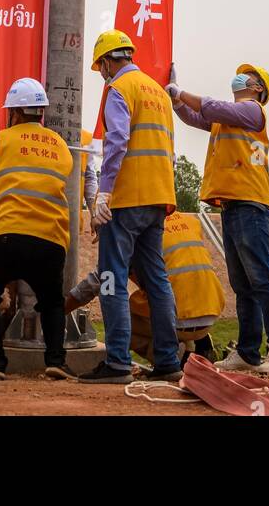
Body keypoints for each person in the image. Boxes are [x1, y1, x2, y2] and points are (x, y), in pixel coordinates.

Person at [169, 62, 269, 374]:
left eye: (248, 77)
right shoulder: (226, 120)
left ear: (258, 89)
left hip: (251, 204)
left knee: (261, 278)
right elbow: (196, 117)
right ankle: (249, 353)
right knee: (243, 284)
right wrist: (176, 101)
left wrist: (182, 92)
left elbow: (210, 106)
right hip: (233, 205)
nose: (240, 78)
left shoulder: (253, 111)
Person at [78, 30, 182, 386]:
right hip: (158, 198)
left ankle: (118, 362)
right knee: (157, 281)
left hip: (126, 200)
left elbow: (118, 141)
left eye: (101, 67)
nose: (102, 74)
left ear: (108, 61)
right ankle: (169, 361)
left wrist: (103, 195)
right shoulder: (156, 92)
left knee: (112, 279)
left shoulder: (119, 89)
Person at [0, 77, 76, 382]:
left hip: (7, 234)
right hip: (50, 238)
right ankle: (56, 361)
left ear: (14, 113)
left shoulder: (2, 139)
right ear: (40, 112)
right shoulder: (60, 145)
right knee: (53, 301)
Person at [67, 208, 224, 366]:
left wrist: (60, 312)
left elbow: (100, 279)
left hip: (179, 319)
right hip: (209, 311)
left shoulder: (132, 229)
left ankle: (178, 358)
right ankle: (199, 345)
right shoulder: (189, 221)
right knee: (159, 290)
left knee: (118, 314)